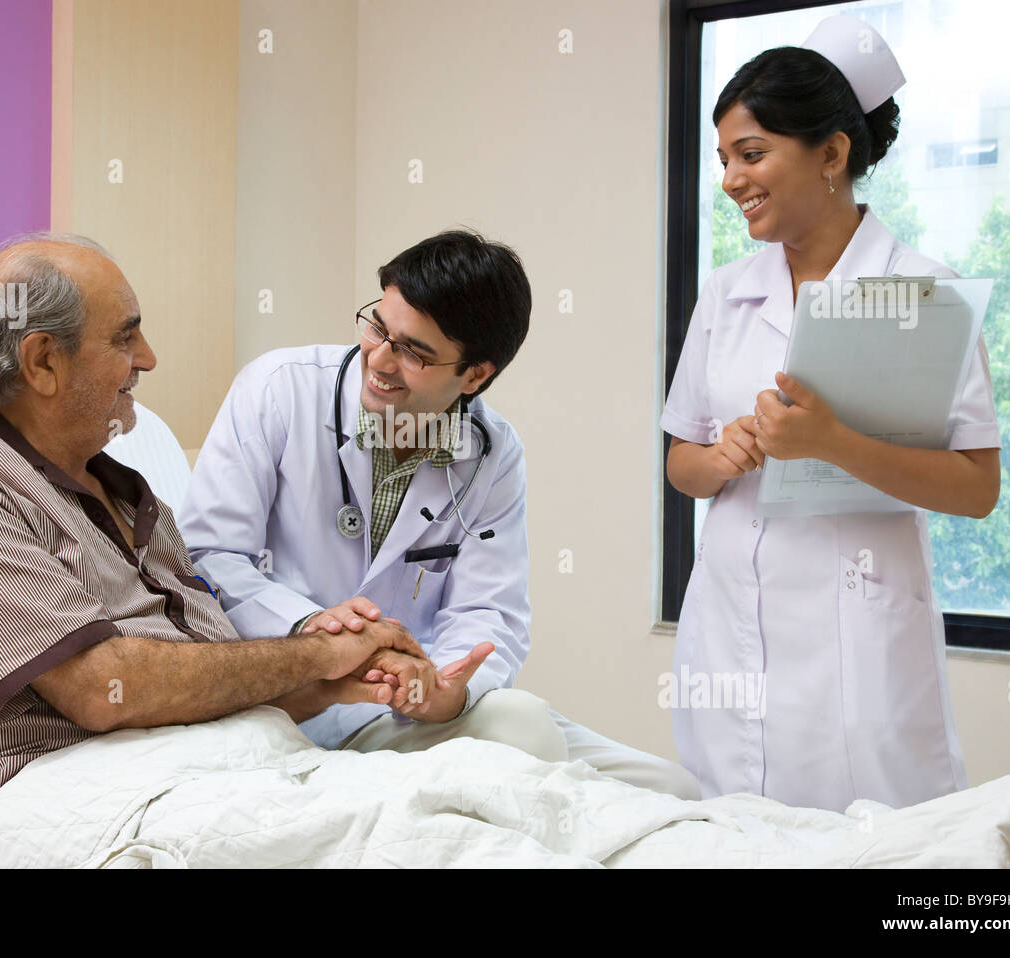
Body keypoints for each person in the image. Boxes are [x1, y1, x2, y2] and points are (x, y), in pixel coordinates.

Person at [0, 233, 444, 856]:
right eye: (123, 337)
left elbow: (198, 690)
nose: (148, 358)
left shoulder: (141, 508)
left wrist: (337, 678)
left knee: (474, 803)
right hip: (55, 808)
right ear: (42, 362)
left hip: (209, 779)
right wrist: (313, 656)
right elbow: (103, 689)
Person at [179, 229, 701, 798]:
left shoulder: (492, 454)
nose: (378, 360)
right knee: (522, 730)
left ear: (475, 375)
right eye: (379, 327)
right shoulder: (278, 391)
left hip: (411, 708)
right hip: (299, 700)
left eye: (413, 353)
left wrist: (446, 688)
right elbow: (209, 556)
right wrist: (313, 627)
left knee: (671, 786)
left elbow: (488, 610)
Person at [662, 16, 1000, 810]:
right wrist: (726, 456)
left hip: (860, 633)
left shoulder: (923, 292)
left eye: (751, 155)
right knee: (730, 835)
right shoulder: (726, 292)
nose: (732, 180)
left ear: (833, 155)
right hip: (729, 621)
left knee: (880, 848)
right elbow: (682, 462)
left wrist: (832, 442)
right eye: (724, 161)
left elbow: (976, 489)